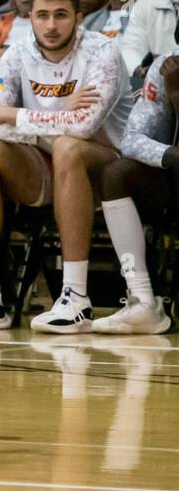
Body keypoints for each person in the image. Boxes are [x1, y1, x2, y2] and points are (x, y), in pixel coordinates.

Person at [0, 0, 135, 332]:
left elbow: (84, 126)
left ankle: (76, 298)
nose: (51, 25)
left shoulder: (102, 52)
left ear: (78, 18)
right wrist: (61, 115)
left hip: (111, 169)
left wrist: (14, 115)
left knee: (69, 146)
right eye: (43, 15)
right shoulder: (18, 52)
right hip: (46, 165)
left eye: (61, 15)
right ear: (31, 17)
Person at [92, 51, 177, 334]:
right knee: (117, 173)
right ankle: (143, 301)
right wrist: (171, 154)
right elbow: (131, 140)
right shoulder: (168, 65)